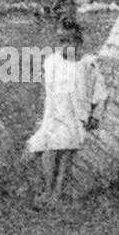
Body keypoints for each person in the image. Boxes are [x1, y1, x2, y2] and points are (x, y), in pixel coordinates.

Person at [26, 17, 108, 207]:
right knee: (39, 146)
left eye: (68, 41)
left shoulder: (88, 64)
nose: (64, 46)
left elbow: (100, 94)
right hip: (53, 115)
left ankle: (55, 192)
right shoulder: (52, 62)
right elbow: (45, 92)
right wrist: (41, 117)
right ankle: (47, 189)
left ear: (78, 43)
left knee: (62, 148)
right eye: (60, 41)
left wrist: (96, 115)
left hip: (74, 116)